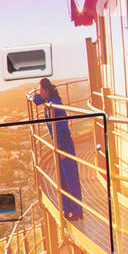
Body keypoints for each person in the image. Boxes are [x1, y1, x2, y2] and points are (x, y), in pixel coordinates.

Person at [28, 78, 83, 221]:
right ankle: (67, 209)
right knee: (62, 179)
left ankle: (78, 211)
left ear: (46, 91)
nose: (39, 93)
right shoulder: (48, 102)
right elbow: (36, 99)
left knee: (71, 179)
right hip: (58, 145)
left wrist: (63, 149)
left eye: (41, 90)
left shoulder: (55, 105)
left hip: (64, 145)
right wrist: (40, 95)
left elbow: (64, 128)